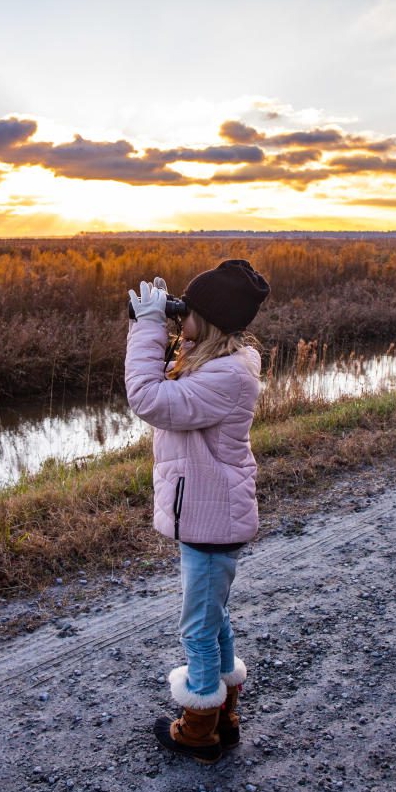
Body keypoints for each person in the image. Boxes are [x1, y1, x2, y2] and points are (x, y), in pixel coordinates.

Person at [124, 259, 270, 763]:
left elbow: (147, 398)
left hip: (210, 520)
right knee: (215, 617)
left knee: (197, 626)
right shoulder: (217, 363)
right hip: (210, 515)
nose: (177, 317)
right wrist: (166, 327)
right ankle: (225, 715)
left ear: (207, 321)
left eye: (186, 312)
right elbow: (171, 385)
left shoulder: (224, 377)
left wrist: (145, 328)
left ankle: (199, 730)